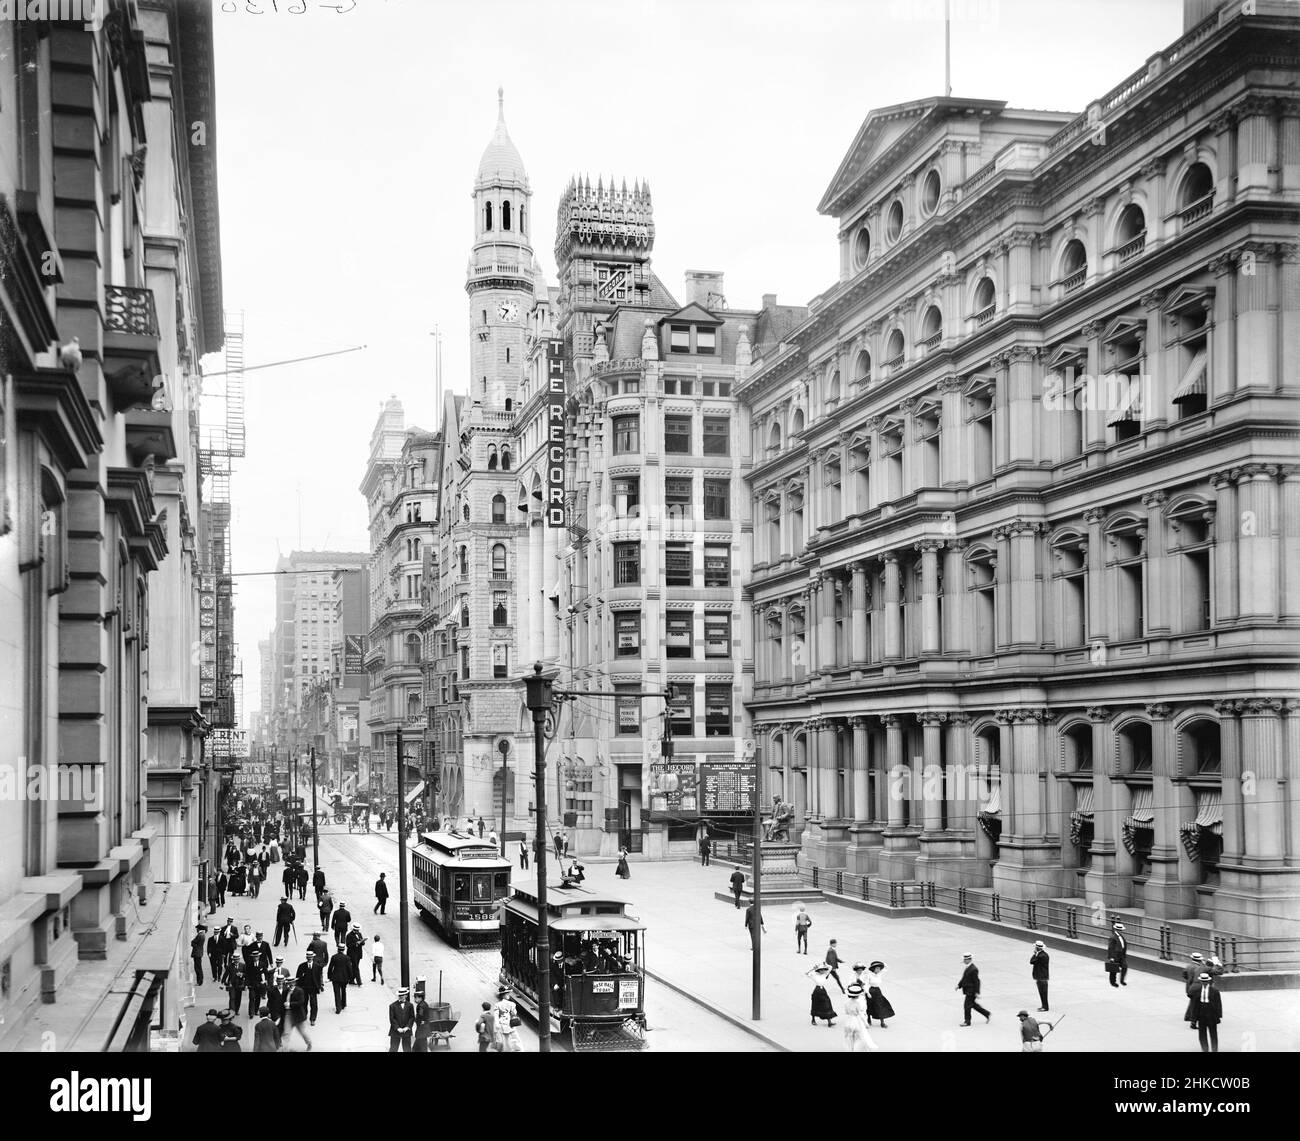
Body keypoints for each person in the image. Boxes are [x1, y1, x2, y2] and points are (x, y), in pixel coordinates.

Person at [1185, 971, 1222, 1052]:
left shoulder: (1214, 991)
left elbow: (1218, 1004)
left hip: (1211, 1014)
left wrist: (1218, 1016)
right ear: (1201, 981)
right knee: (1202, 1034)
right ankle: (1205, 1049)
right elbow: (1194, 1005)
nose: (1204, 983)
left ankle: (1214, 1049)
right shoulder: (1197, 991)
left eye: (1206, 981)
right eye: (1203, 981)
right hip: (1201, 1015)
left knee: (1213, 1034)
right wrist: (1193, 1019)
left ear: (1208, 981)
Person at [842, 980, 879, 1051]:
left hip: (849, 1020)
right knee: (859, 1036)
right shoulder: (857, 1004)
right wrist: (865, 1023)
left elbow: (846, 1012)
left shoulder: (846, 1003)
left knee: (849, 1036)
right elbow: (860, 1014)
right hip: (856, 1020)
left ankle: (850, 1049)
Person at [957, 952, 991, 1026]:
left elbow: (977, 981)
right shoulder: (968, 967)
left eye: (965, 960)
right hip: (968, 990)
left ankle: (967, 1021)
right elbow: (964, 978)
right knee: (973, 1005)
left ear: (969, 959)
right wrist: (959, 985)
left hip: (971, 991)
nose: (964, 961)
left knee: (966, 1006)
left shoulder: (973, 969)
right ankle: (987, 1013)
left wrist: (976, 992)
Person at [285, 980, 313, 1051]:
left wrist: (290, 1004)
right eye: (288, 983)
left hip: (298, 1015)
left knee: (302, 1032)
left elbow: (301, 1002)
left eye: (291, 983)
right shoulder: (286, 991)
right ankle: (284, 1049)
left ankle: (309, 1043)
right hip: (288, 1014)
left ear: (294, 983)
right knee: (286, 1032)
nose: (290, 985)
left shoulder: (299, 991)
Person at [865, 960, 895, 1028]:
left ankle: (882, 1022)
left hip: (877, 990)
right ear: (873, 969)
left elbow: (886, 968)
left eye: (879, 968)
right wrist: (867, 992)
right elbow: (866, 984)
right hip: (871, 990)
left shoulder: (879, 973)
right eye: (877, 968)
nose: (878, 970)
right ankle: (868, 1019)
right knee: (869, 1005)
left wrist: (881, 963)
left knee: (880, 1005)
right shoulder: (869, 975)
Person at [295, 951, 321, 1026]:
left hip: (313, 988)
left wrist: (319, 987)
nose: (309, 958)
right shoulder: (301, 966)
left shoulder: (317, 966)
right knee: (303, 1003)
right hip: (303, 988)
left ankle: (312, 1019)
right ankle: (303, 1016)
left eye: (311, 957)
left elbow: (319, 977)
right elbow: (298, 978)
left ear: (313, 957)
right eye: (308, 957)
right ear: (306, 957)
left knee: (314, 1004)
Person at [388, 986, 417, 1052]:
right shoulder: (392, 1006)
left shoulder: (410, 1005)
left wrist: (407, 1027)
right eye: (399, 995)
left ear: (406, 996)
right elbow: (392, 1019)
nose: (400, 997)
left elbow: (412, 1017)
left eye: (402, 995)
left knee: (407, 1049)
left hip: (406, 1031)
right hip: (395, 1031)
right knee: (393, 1048)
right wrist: (397, 1028)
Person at [327, 943, 351, 1013]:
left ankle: (338, 1007)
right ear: (344, 949)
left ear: (338, 949)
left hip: (335, 977)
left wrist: (329, 976)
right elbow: (349, 968)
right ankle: (343, 1004)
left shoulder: (334, 957)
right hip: (344, 977)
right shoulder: (347, 958)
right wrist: (350, 977)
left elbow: (330, 968)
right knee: (343, 991)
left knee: (337, 993)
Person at [1030, 941, 1051, 1011]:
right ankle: (1043, 1005)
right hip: (1040, 976)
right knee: (1041, 992)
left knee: (1043, 992)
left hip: (1042, 977)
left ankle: (1045, 1007)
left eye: (1036, 947)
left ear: (1038, 948)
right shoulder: (1041, 955)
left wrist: (1034, 954)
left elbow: (1032, 961)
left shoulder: (1041, 956)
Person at [1107, 922, 1129, 987]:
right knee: (1113, 970)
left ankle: (1122, 980)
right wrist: (1111, 957)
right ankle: (1113, 982)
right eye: (1120, 930)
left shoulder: (1120, 936)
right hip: (1115, 955)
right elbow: (1110, 948)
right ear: (1117, 930)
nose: (1121, 931)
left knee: (1125, 967)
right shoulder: (1113, 937)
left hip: (1121, 955)